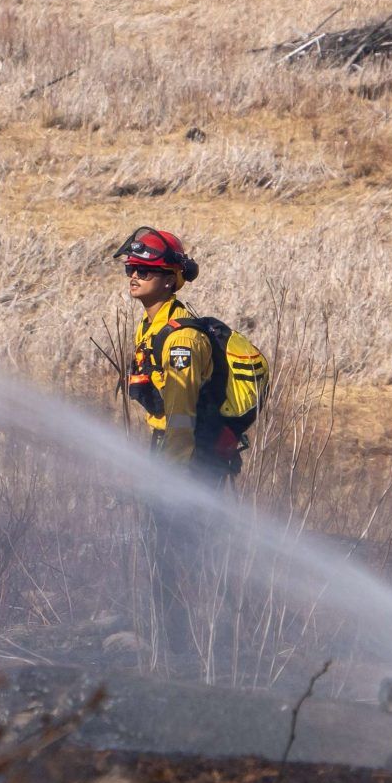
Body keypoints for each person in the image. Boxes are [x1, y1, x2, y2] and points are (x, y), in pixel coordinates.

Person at [118, 226, 260, 671]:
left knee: (184, 554)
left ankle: (193, 647)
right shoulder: (153, 326)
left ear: (170, 279)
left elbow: (180, 417)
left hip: (187, 462)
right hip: (175, 456)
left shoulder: (180, 340)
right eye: (131, 267)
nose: (133, 274)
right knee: (172, 552)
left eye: (145, 269)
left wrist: (170, 477)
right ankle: (178, 640)